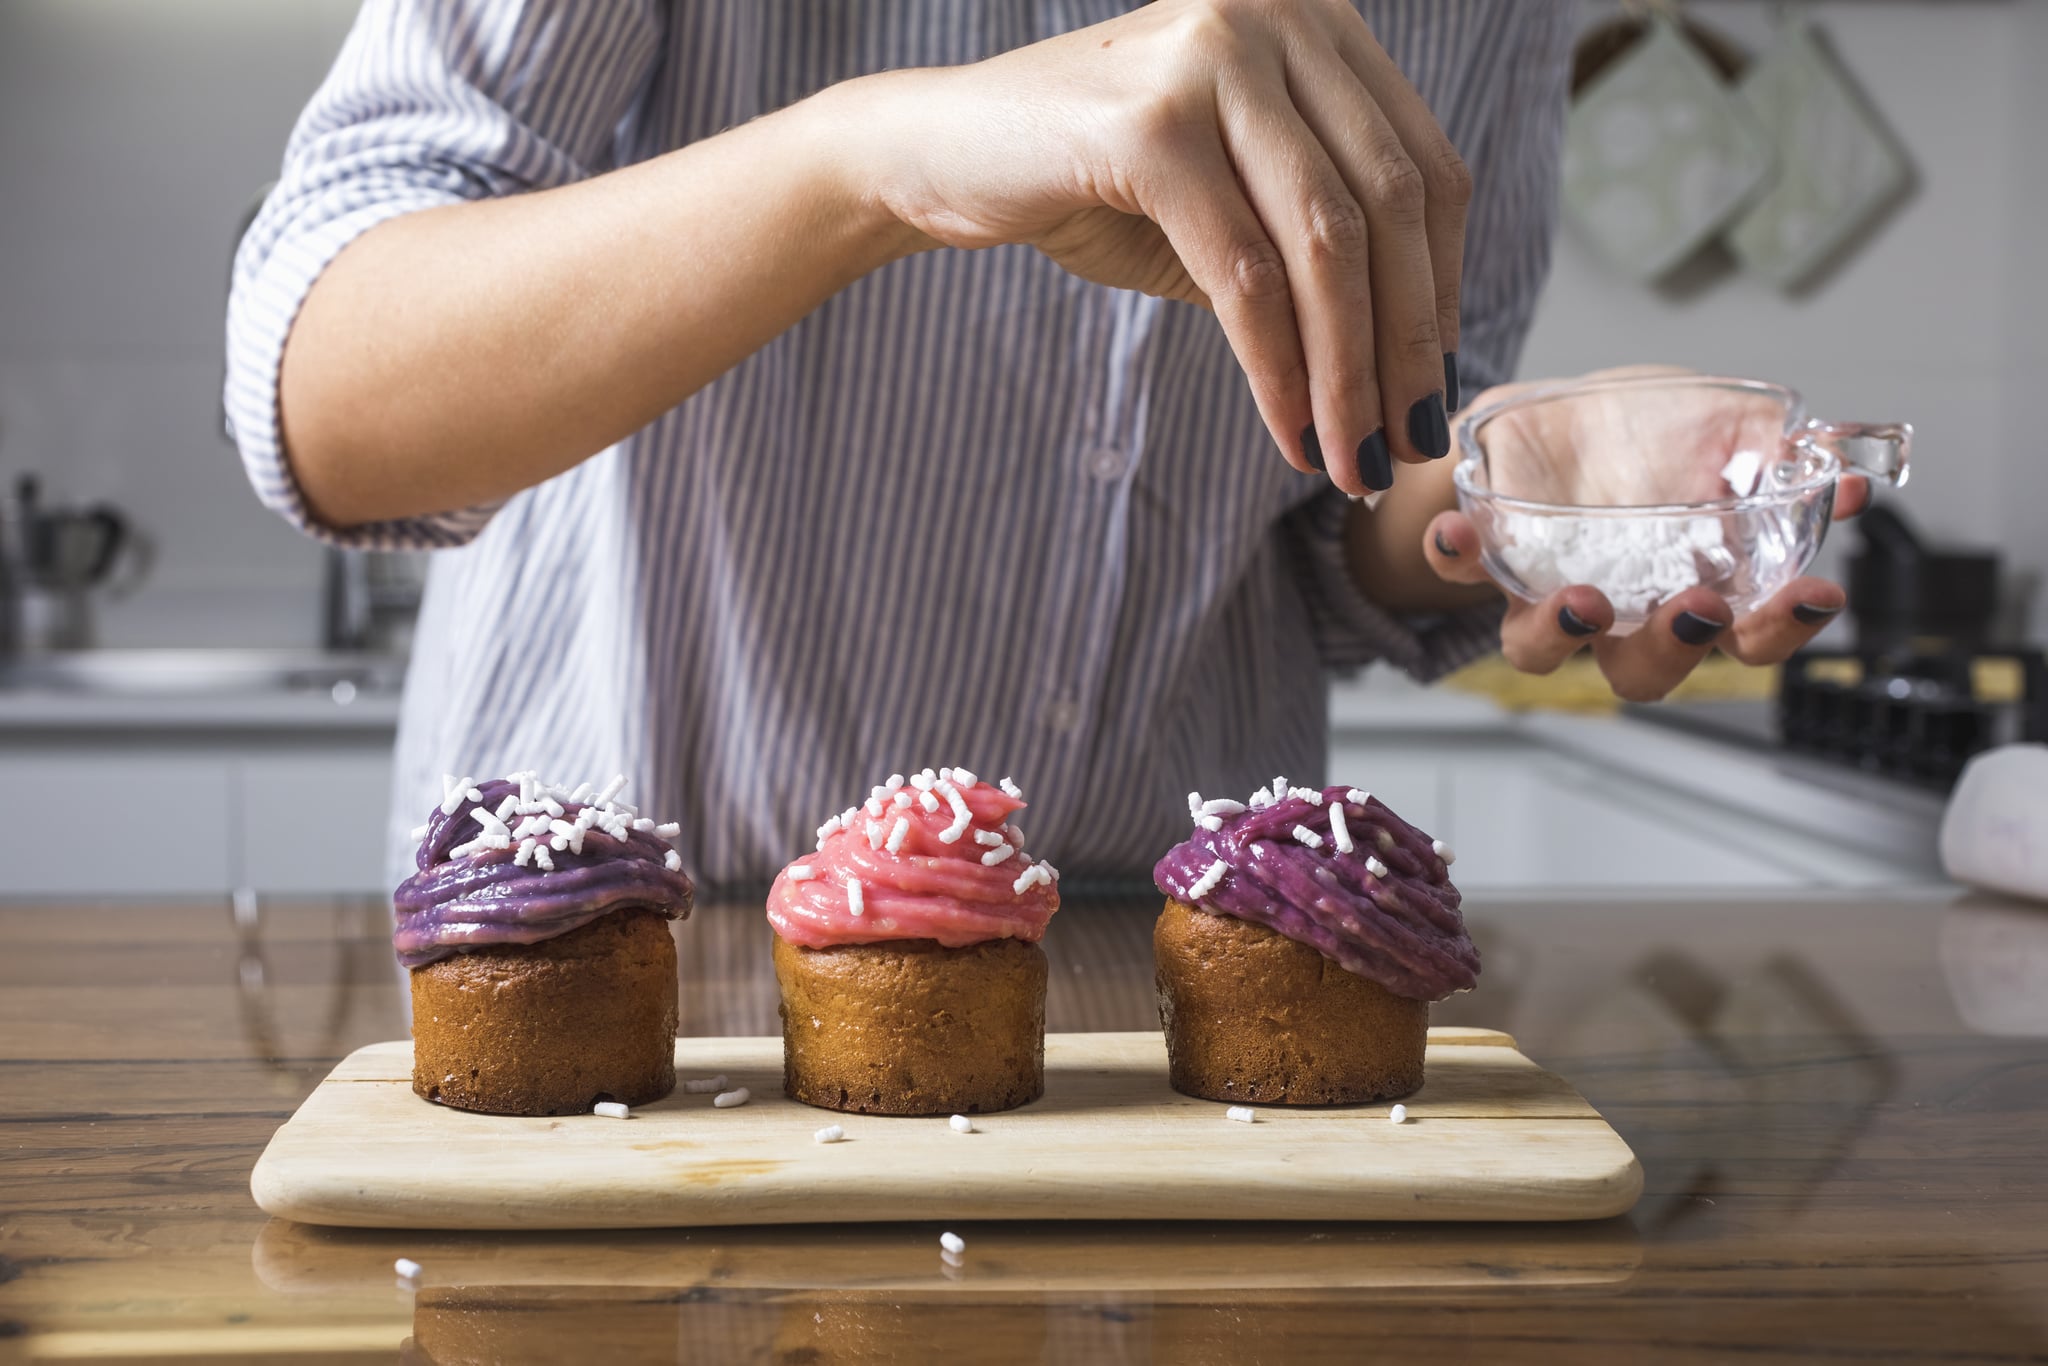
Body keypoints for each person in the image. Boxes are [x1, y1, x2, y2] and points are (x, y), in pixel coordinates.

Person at [226, 0, 1853, 890]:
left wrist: (1515, 487)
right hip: (630, 962)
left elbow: (1342, 525)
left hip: (1165, 985)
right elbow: (328, 398)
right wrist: (874, 158)